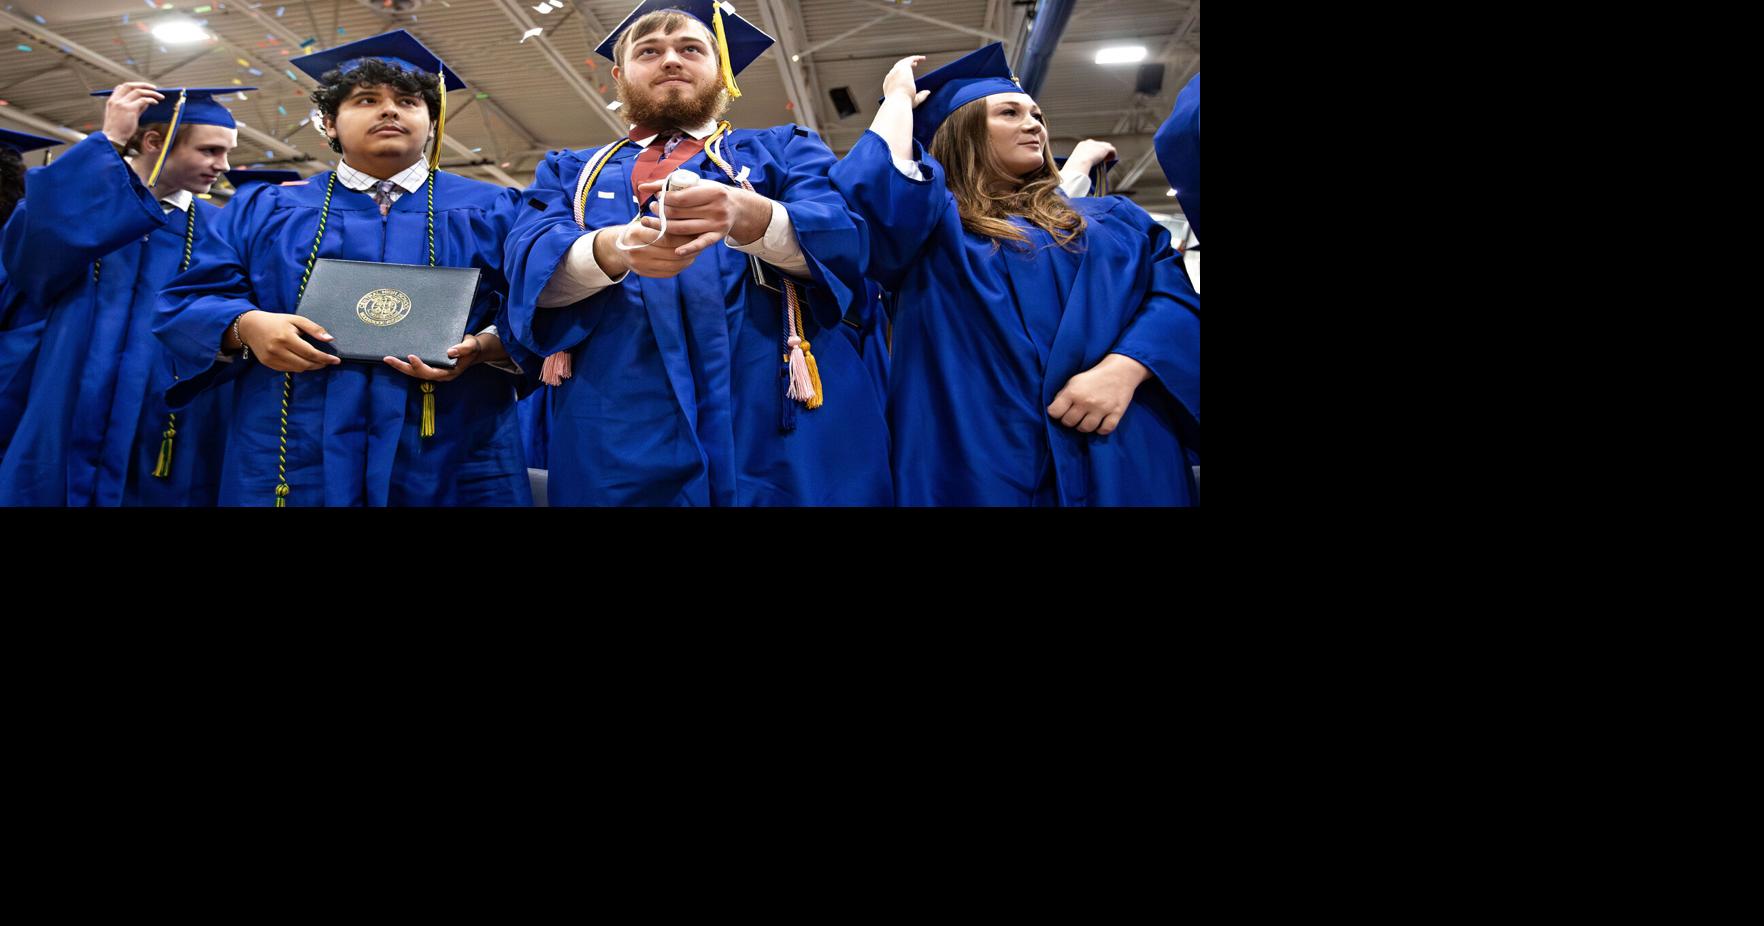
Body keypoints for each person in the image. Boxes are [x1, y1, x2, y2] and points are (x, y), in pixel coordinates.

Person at [502, 0, 890, 506]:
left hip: (772, 409)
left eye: (690, 48)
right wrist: (612, 250)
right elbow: (527, 256)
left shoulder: (784, 149)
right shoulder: (571, 171)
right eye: (649, 51)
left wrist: (753, 218)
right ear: (620, 75)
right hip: (619, 417)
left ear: (720, 69)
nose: (670, 60)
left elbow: (847, 240)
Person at [156, 31, 534, 506]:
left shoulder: (497, 208)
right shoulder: (266, 207)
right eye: (367, 100)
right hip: (293, 441)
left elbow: (538, 305)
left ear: (432, 123)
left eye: (408, 101)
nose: (390, 110)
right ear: (329, 124)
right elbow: (190, 299)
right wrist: (246, 326)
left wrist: (487, 345)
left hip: (454, 437)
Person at [829, 44, 1200, 505]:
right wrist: (899, 100)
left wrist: (1126, 367)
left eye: (1038, 115)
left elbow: (1175, 299)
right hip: (983, 458)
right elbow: (867, 205)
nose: (1034, 125)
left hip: (1120, 442)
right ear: (962, 133)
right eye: (1010, 112)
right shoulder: (932, 227)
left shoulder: (1113, 218)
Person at [0, 87, 243, 505]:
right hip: (61, 399)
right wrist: (108, 141)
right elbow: (31, 264)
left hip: (162, 417)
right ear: (153, 142)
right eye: (209, 150)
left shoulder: (220, 228)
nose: (222, 166)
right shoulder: (81, 206)